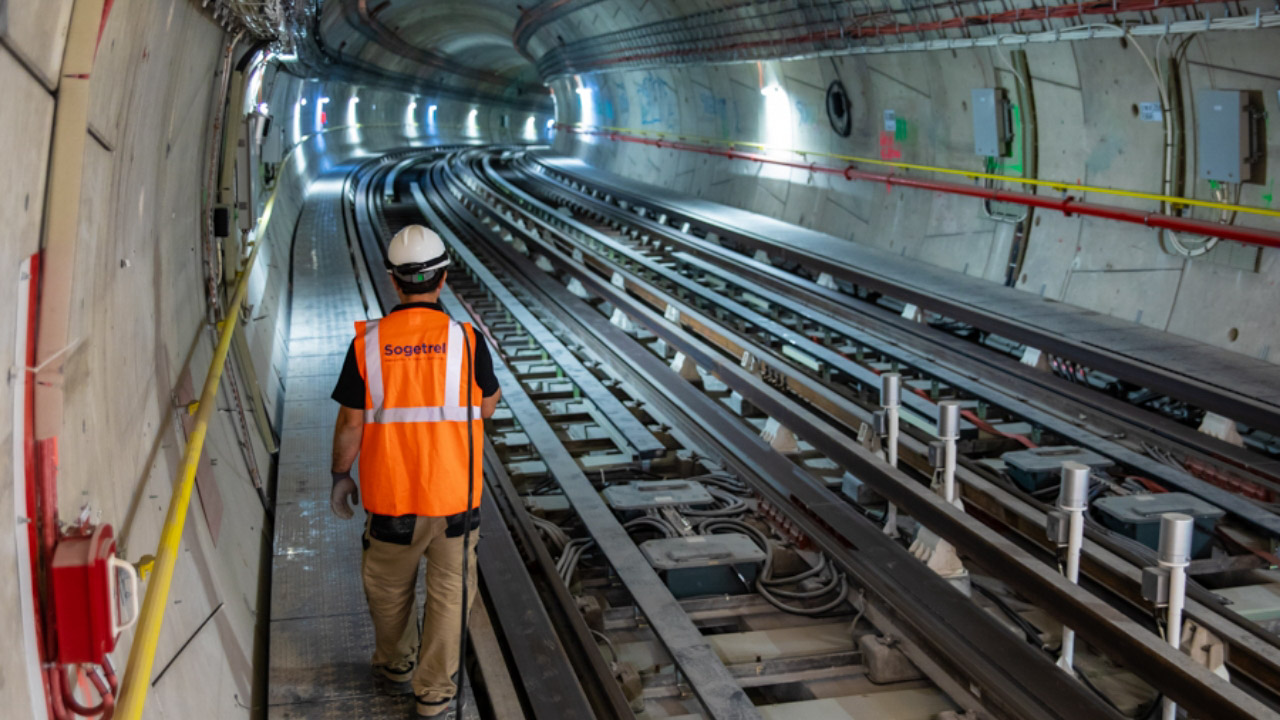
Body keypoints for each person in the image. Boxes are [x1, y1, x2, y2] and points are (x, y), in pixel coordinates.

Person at [328, 225, 502, 718]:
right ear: (442, 279)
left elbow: (350, 423)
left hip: (392, 502)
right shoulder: (466, 341)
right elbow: (487, 406)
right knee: (450, 598)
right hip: (454, 500)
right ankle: (434, 695)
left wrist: (341, 475)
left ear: (394, 280)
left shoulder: (367, 344)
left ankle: (396, 666)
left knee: (387, 592)